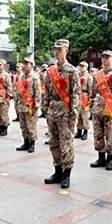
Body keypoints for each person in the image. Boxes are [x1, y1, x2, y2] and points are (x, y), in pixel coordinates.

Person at [42, 39, 79, 189]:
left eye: (60, 49)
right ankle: (57, 171)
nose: (57, 52)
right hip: (52, 111)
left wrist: (73, 114)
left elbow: (75, 94)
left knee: (66, 144)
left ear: (66, 51)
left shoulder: (72, 71)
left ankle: (66, 174)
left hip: (65, 111)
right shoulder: (50, 71)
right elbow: (46, 92)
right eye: (56, 49)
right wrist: (45, 109)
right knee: (54, 143)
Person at [89, 50, 112, 171]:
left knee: (110, 134)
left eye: (107, 58)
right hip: (97, 108)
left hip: (110, 108)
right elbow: (92, 92)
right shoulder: (97, 75)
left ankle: (109, 159)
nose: (104, 60)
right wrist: (91, 106)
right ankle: (100, 157)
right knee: (98, 134)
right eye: (103, 57)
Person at [15, 57, 41, 153]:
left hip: (30, 106)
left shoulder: (34, 77)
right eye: (24, 64)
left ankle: (32, 143)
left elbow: (37, 93)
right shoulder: (21, 77)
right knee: (23, 126)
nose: (25, 66)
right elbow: (18, 91)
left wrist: (36, 106)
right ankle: (25, 142)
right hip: (21, 105)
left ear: (32, 65)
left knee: (31, 126)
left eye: (27, 64)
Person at [0, 59, 13, 136]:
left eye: (0, 65)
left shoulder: (6, 75)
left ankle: (5, 128)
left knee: (3, 113)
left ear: (4, 66)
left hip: (3, 97)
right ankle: (0, 127)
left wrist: (8, 96)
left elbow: (9, 86)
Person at [75, 61, 92, 141]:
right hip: (77, 96)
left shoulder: (88, 77)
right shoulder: (77, 75)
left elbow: (90, 89)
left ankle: (85, 132)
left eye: (83, 66)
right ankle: (79, 131)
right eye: (80, 66)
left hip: (85, 96)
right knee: (78, 115)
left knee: (85, 116)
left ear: (86, 67)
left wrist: (90, 99)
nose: (81, 67)